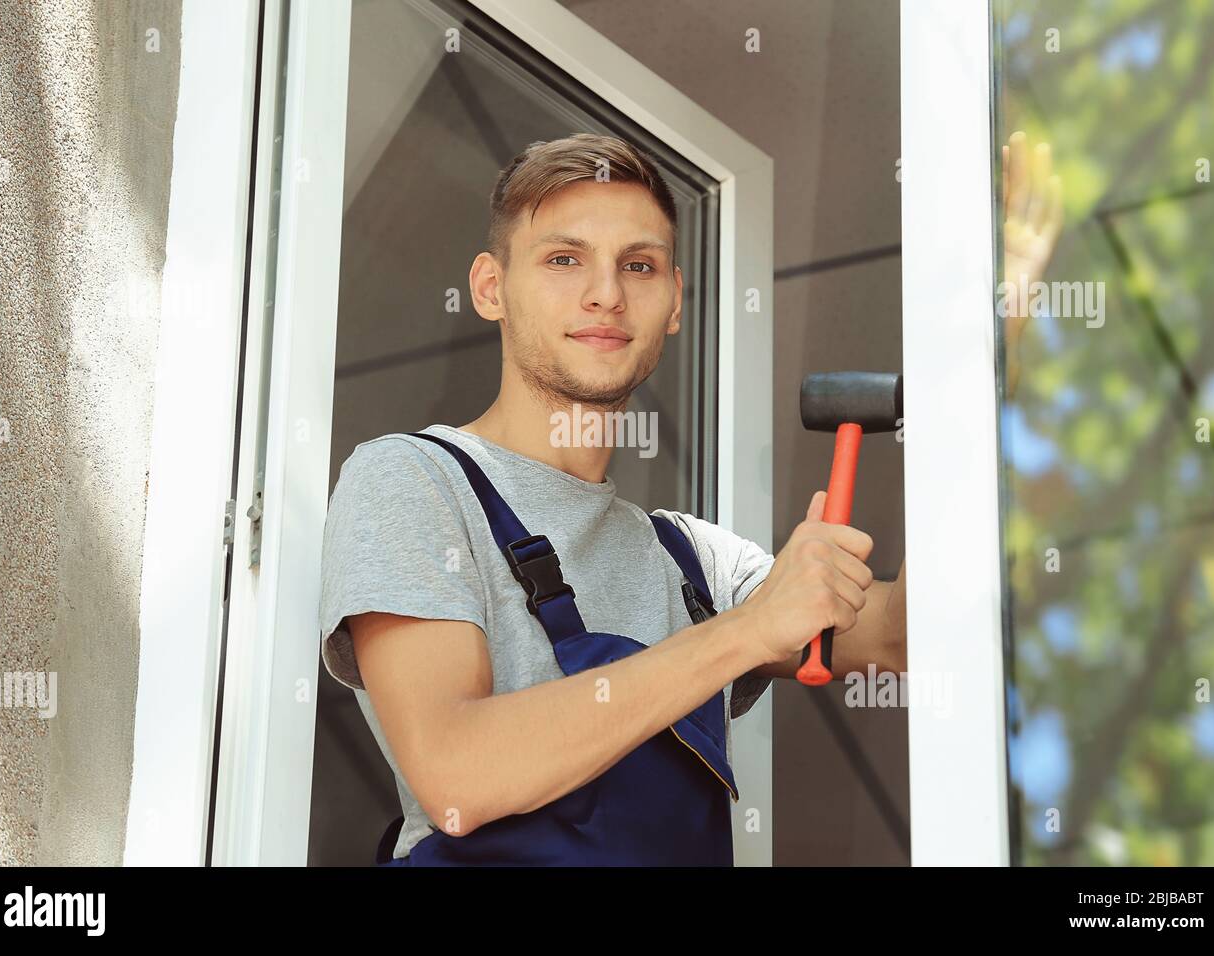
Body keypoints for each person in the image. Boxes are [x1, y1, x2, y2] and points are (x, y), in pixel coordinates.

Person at [318, 132, 907, 866]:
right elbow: (455, 773)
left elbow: (900, 635)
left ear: (674, 303)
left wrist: (988, 357)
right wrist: (746, 633)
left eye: (639, 265)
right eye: (564, 259)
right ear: (489, 287)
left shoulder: (693, 562)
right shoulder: (415, 482)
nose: (607, 292)